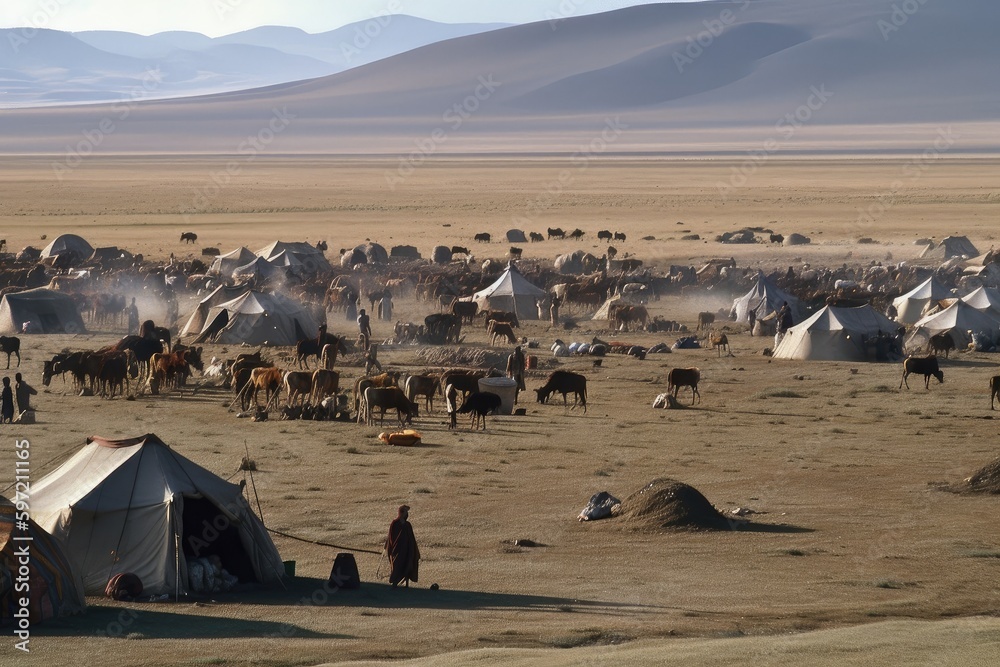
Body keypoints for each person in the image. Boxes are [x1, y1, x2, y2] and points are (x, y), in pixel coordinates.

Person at [385, 505, 420, 588]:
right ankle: (395, 582)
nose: (406, 514)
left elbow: (411, 537)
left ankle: (406, 583)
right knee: (397, 565)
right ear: (401, 513)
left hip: (407, 549)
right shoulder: (395, 523)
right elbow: (391, 536)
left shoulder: (408, 525)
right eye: (405, 512)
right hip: (397, 549)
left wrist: (413, 548)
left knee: (408, 563)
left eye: (407, 513)